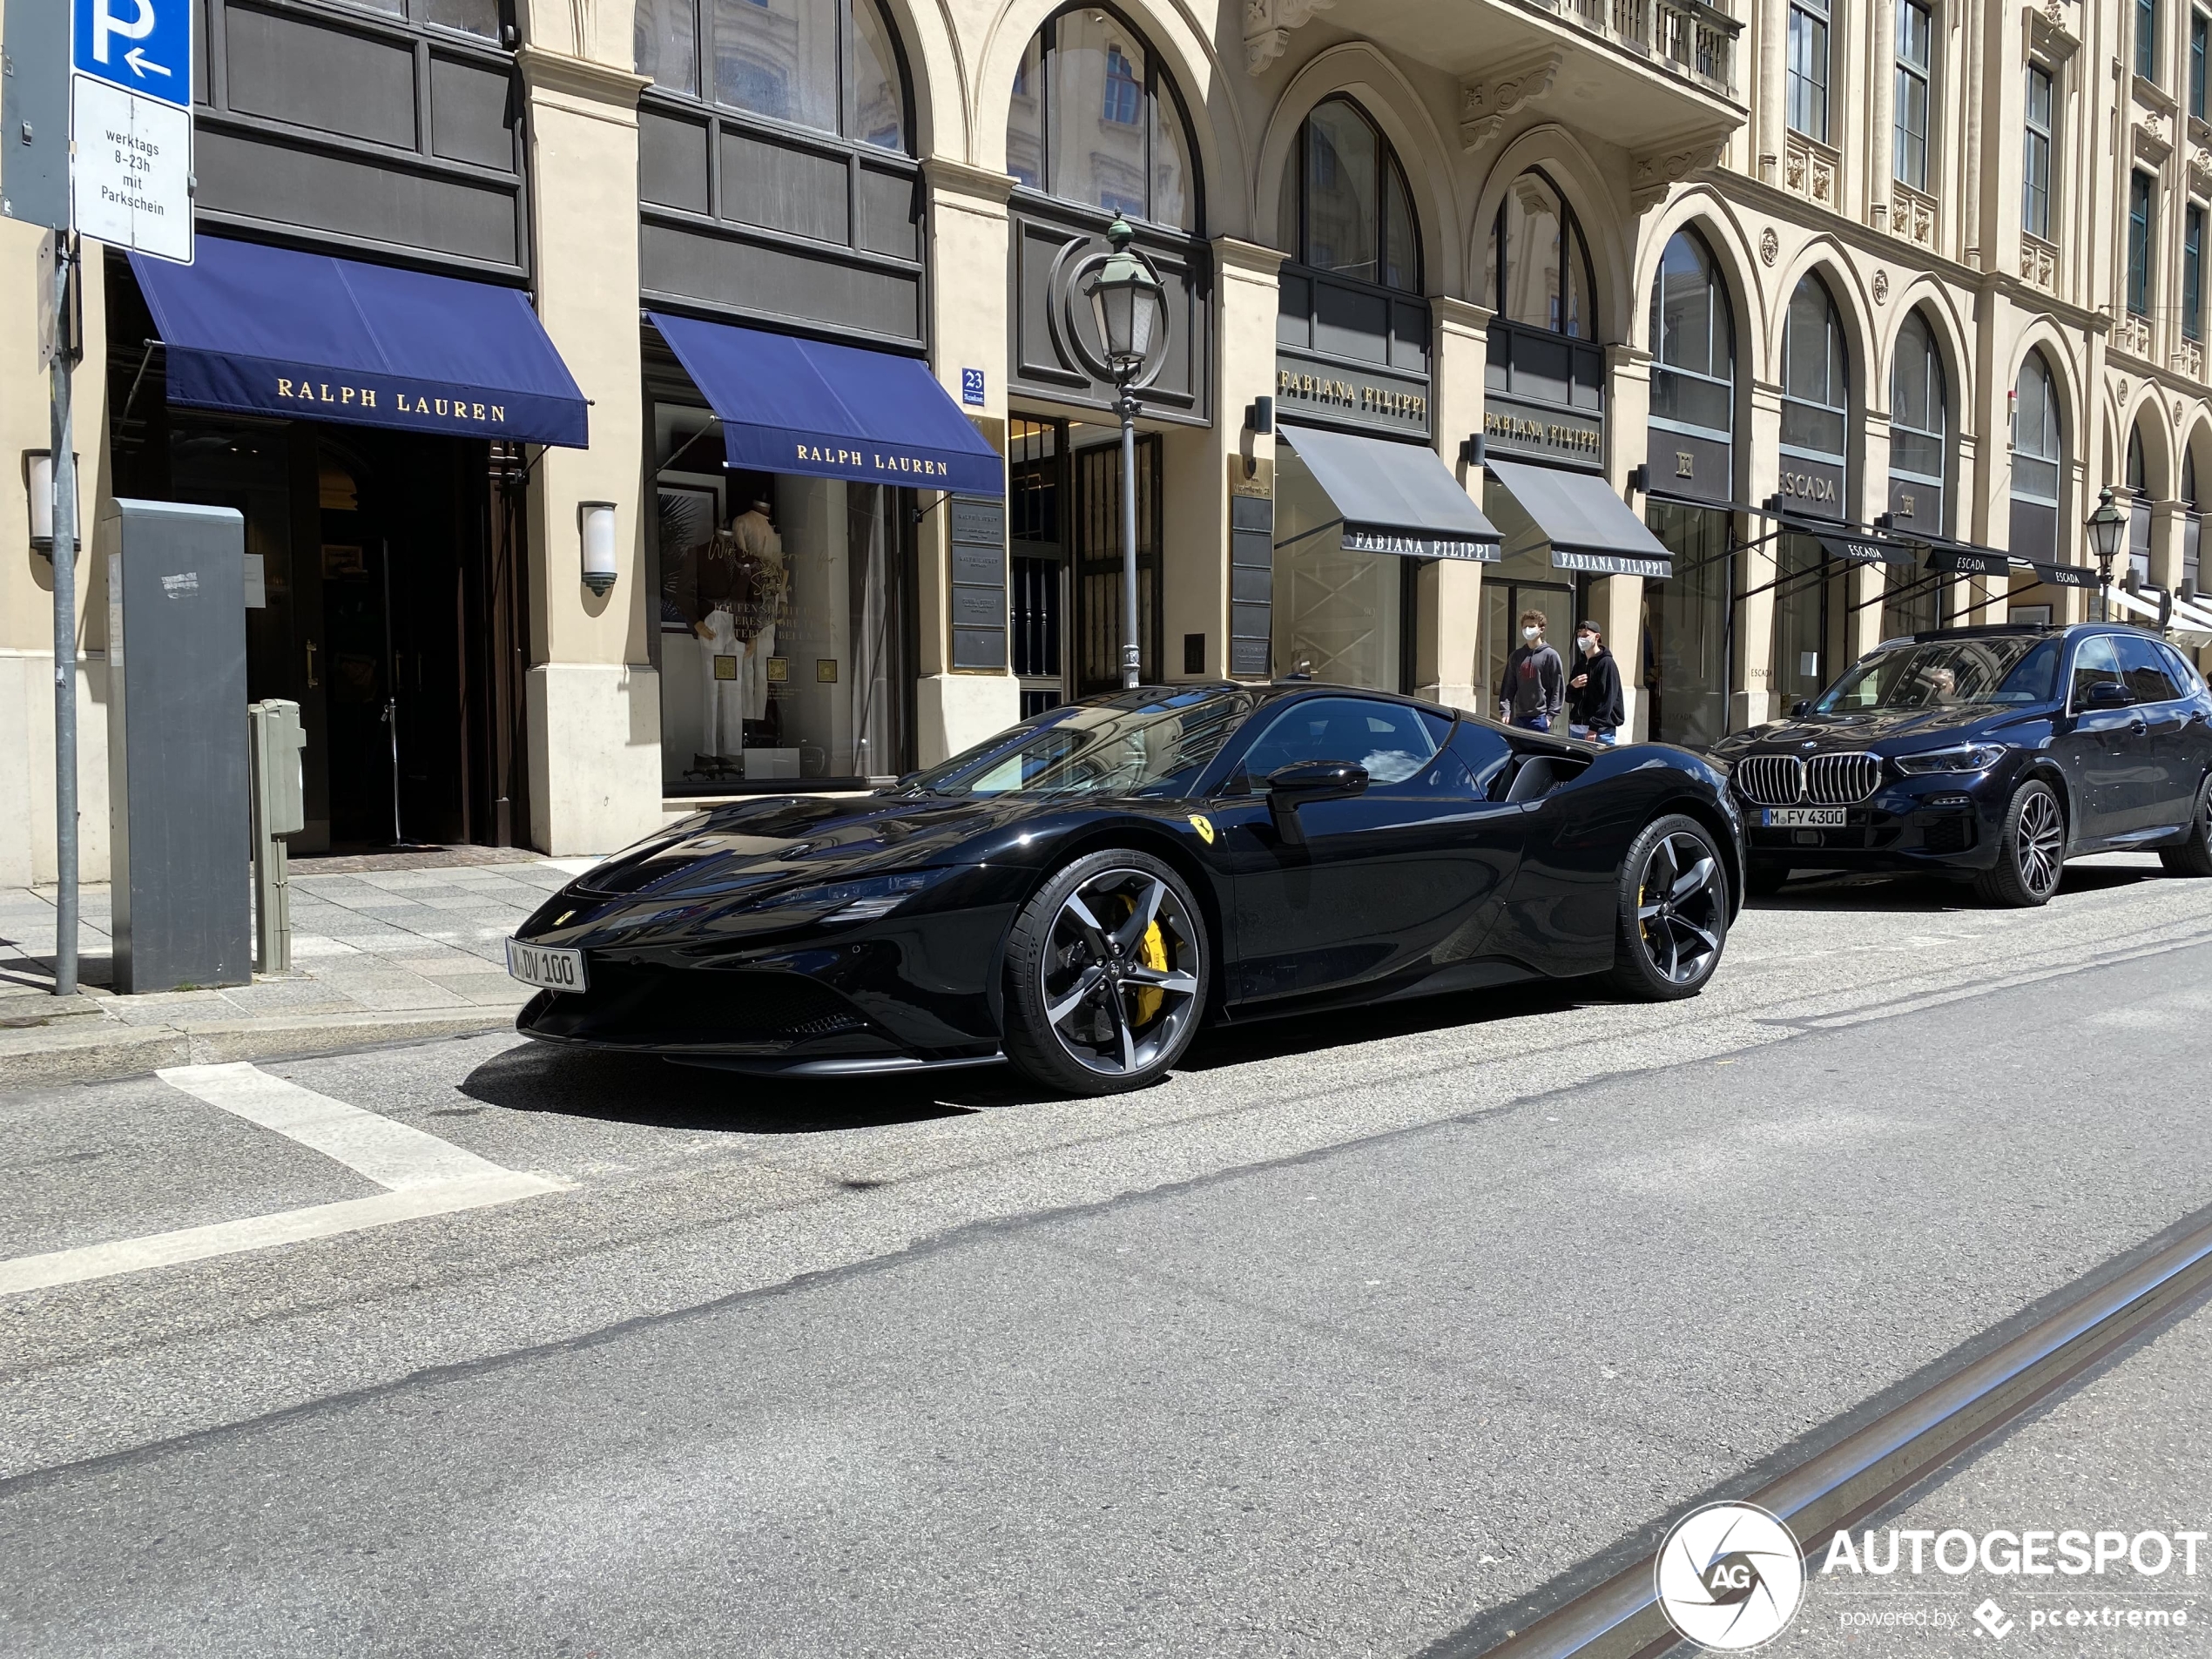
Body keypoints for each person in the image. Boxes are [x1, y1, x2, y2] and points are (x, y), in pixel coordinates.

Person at [1498, 610, 1565, 732]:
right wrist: (1505, 711)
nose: (1528, 630)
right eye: (1525, 627)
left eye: (1532, 626)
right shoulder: (1516, 656)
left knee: (1539, 752)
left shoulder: (1550, 655)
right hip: (1519, 718)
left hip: (1540, 718)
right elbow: (1509, 686)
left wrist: (1550, 717)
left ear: (1541, 629)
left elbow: (1557, 688)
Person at [1568, 620, 1624, 745]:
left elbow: (1608, 700)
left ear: (1597, 637)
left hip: (1600, 732)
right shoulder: (1579, 665)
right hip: (1577, 728)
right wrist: (1573, 686)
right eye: (1579, 636)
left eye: (1585, 636)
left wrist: (1594, 727)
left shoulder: (1607, 664)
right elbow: (1569, 698)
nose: (1581, 639)